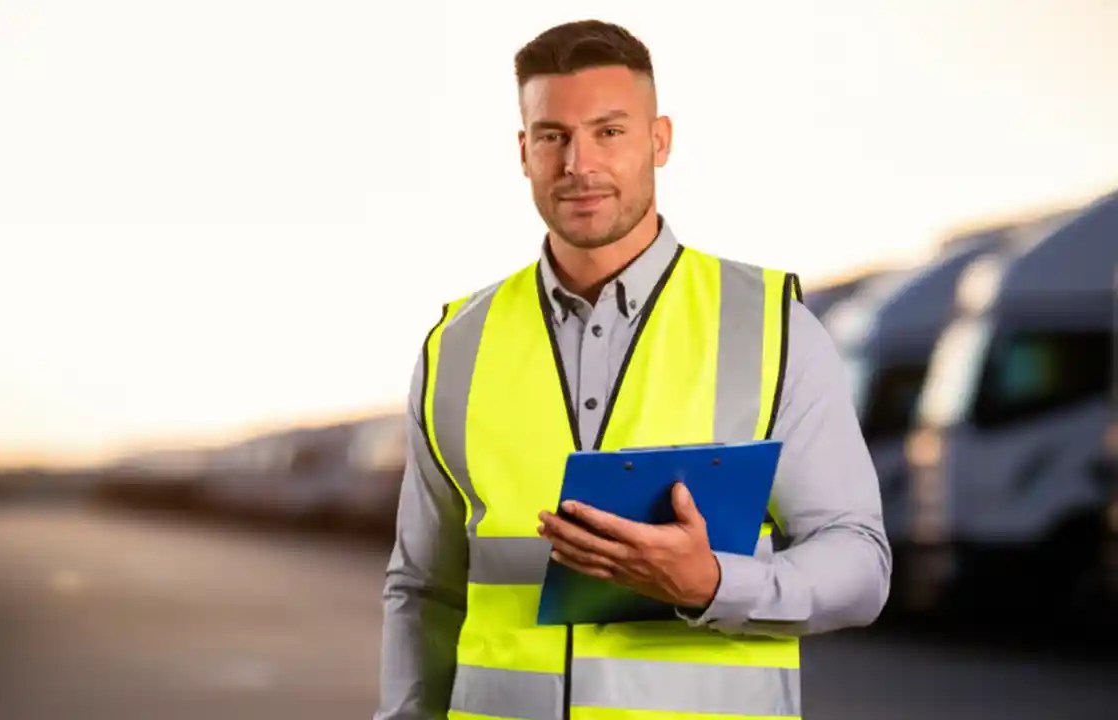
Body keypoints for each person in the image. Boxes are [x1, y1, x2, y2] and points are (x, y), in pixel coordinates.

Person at [376, 19, 891, 720]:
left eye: (609, 132)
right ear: (524, 151)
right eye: (553, 135)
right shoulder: (456, 344)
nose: (578, 164)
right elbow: (424, 588)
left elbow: (860, 564)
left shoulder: (771, 325)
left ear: (660, 140)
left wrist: (713, 582)